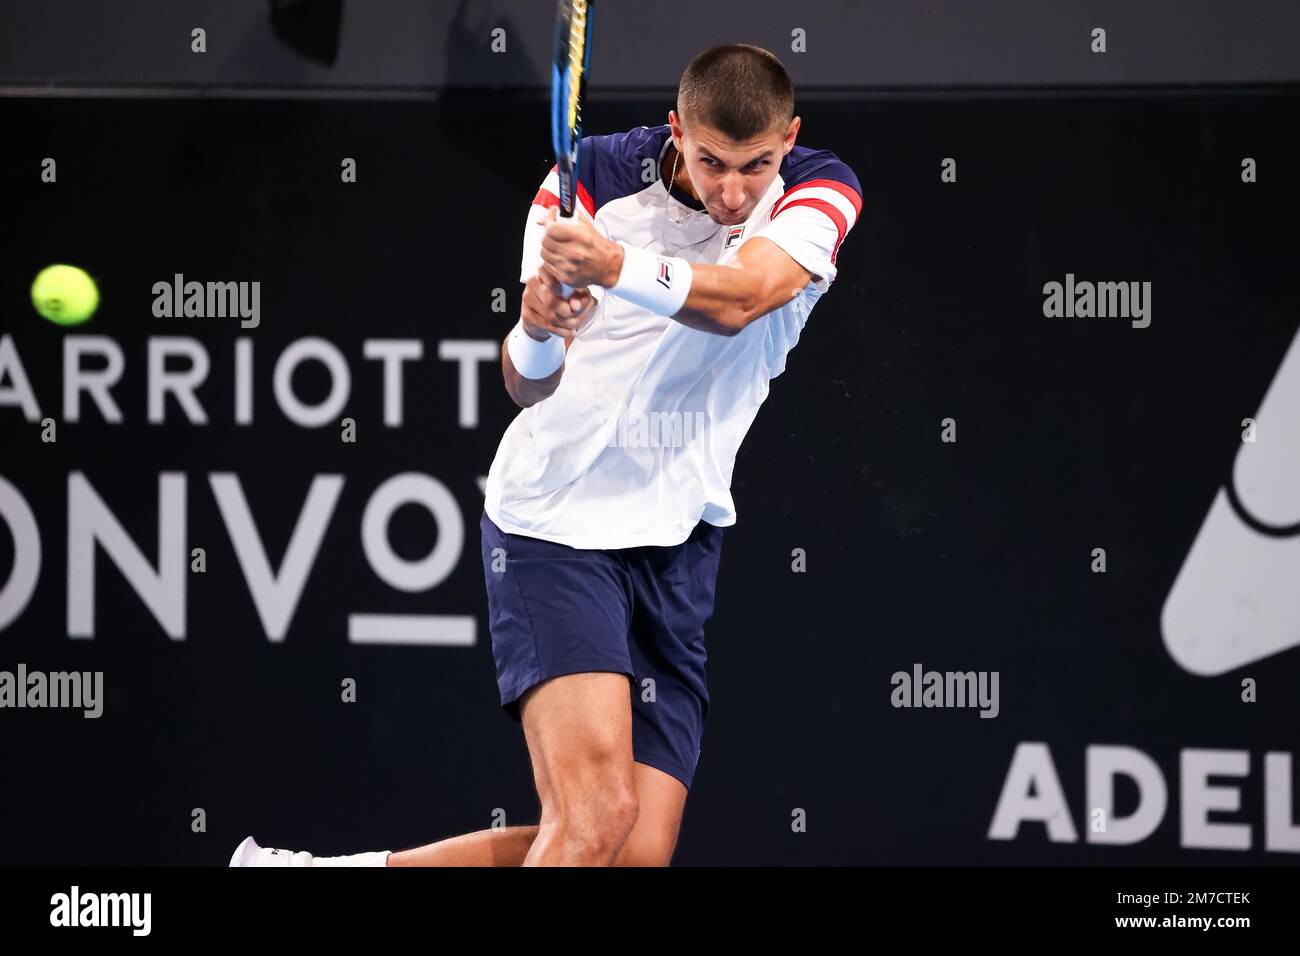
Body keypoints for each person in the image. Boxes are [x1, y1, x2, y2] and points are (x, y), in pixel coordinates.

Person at [230, 42, 861, 868]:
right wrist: (536, 327)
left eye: (756, 165)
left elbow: (741, 300)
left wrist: (612, 266)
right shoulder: (591, 180)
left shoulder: (820, 187)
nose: (734, 191)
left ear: (790, 140)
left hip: (677, 540)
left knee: (632, 855)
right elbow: (529, 386)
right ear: (677, 132)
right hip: (555, 524)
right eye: (712, 162)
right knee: (594, 819)